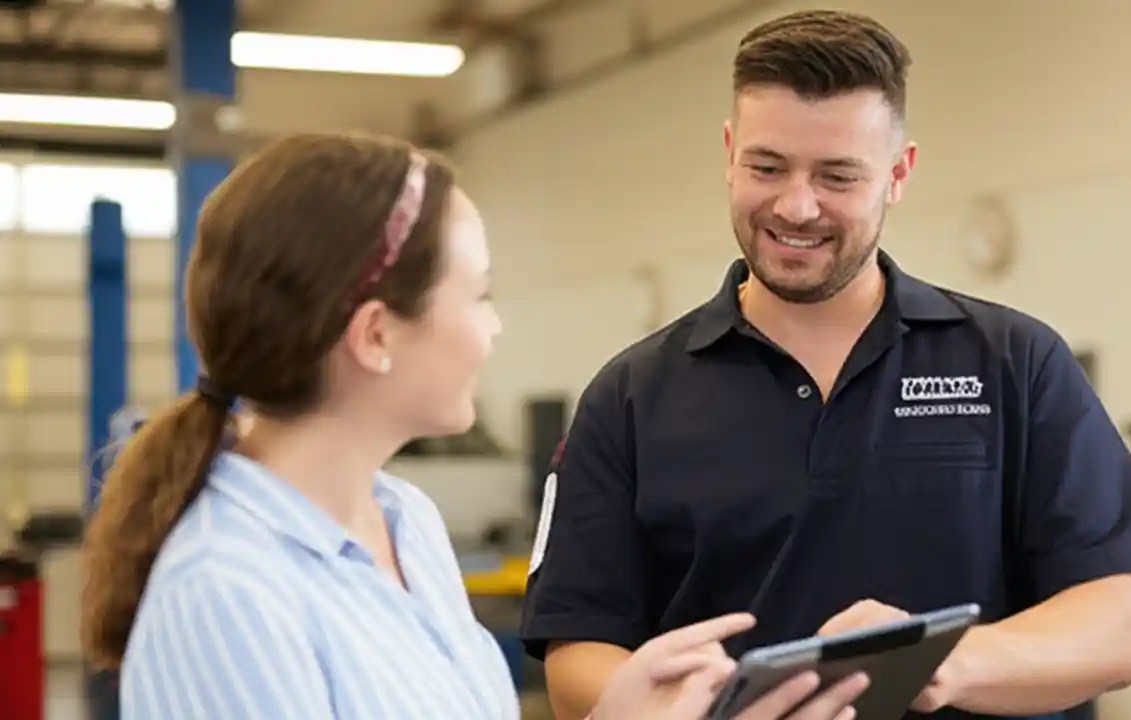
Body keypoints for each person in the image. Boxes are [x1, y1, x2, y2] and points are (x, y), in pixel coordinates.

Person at [520, 9, 1131, 720]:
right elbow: (576, 652)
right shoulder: (630, 396)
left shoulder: (1015, 364)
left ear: (899, 173)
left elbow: (1115, 630)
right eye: (766, 167)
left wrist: (938, 662)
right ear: (728, 152)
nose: (796, 206)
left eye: (837, 175)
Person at [78, 133, 872, 719]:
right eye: (479, 295)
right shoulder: (226, 596)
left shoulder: (406, 525)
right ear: (377, 335)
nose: (493, 330)